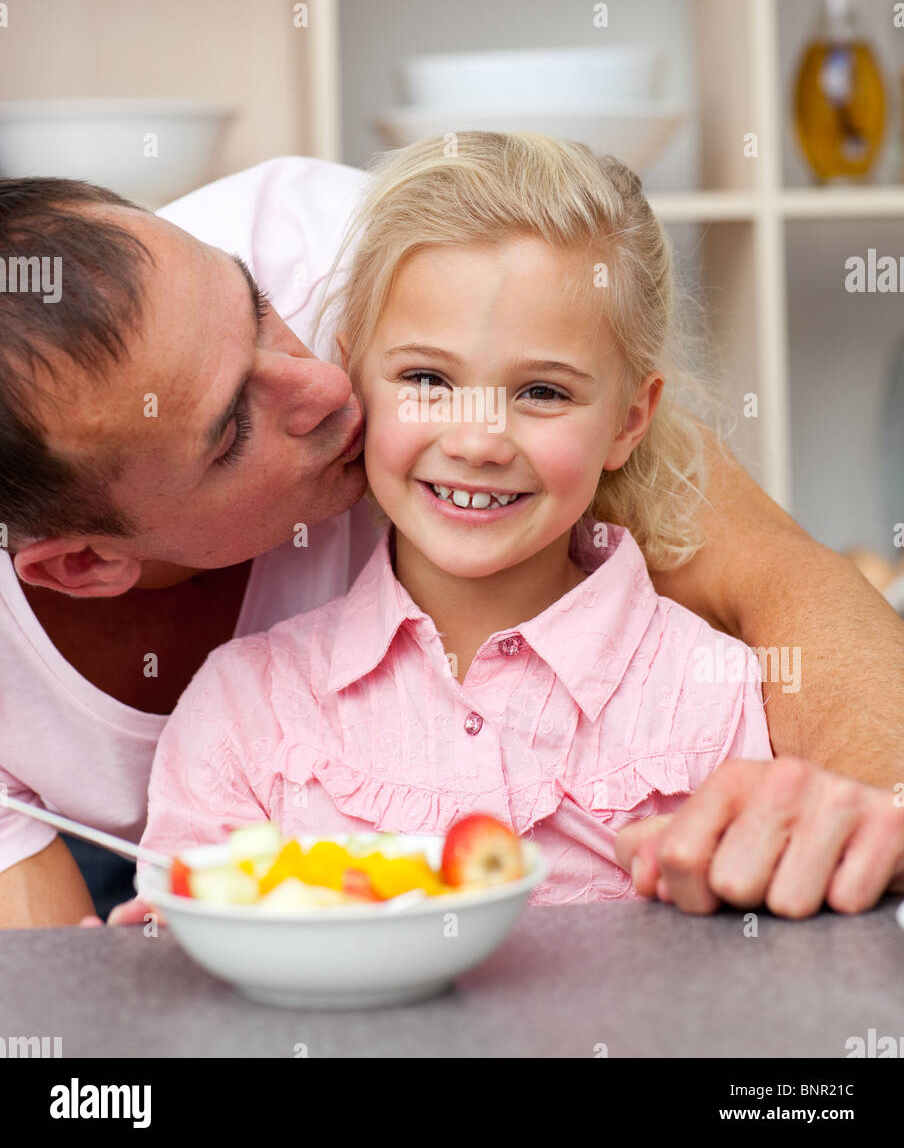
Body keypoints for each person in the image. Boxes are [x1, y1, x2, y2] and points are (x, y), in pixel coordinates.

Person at [1, 152, 902, 927]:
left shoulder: (385, 255)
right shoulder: (237, 712)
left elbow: (776, 575)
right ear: (83, 564)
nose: (324, 383)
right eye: (233, 427)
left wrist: (876, 825)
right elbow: (68, 976)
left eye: (260, 307)